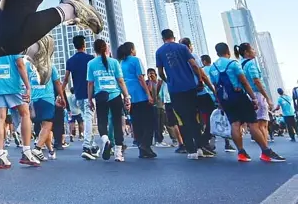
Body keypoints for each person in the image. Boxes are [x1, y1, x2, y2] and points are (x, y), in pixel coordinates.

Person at [208, 42, 284, 162]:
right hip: (239, 96)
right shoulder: (233, 63)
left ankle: (241, 153)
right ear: (228, 51)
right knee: (253, 123)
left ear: (217, 53)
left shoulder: (213, 68)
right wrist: (253, 98)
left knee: (235, 124)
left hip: (225, 99)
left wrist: (220, 104)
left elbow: (215, 87)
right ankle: (266, 151)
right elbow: (244, 82)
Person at [155, 29, 215, 160]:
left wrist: (168, 81)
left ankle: (191, 150)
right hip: (190, 87)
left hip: (175, 90)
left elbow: (160, 72)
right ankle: (199, 148)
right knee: (194, 117)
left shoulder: (159, 52)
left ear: (163, 38)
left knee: (182, 120)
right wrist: (199, 80)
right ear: (173, 37)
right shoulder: (182, 48)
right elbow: (194, 65)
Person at [0, 53, 39, 168]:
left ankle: (0, 154)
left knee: (0, 118)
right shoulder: (13, 44)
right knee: (25, 114)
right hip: (13, 85)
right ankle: (26, 151)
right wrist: (28, 86)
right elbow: (20, 64)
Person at [87, 39, 131, 162]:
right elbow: (120, 81)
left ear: (94, 49)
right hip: (115, 96)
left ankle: (106, 141)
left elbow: (90, 83)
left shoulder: (91, 64)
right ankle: (118, 154)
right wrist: (126, 96)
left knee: (102, 121)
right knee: (117, 123)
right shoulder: (114, 62)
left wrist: (90, 99)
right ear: (106, 49)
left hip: (100, 96)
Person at [61, 35, 98, 159]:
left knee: (86, 117)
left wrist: (60, 93)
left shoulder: (70, 61)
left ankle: (93, 145)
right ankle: (87, 145)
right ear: (84, 45)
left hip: (78, 94)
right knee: (88, 118)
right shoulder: (91, 59)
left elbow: (66, 79)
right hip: (90, 93)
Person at [117, 42, 156, 159]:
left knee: (137, 123)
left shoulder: (121, 63)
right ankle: (145, 145)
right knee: (150, 121)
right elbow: (140, 78)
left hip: (129, 96)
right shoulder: (136, 60)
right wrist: (148, 94)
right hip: (140, 95)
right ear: (131, 50)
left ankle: (142, 147)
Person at [235, 43, 274, 146]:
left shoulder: (240, 64)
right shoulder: (251, 64)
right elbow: (256, 80)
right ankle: (266, 150)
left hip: (248, 95)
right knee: (263, 124)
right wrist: (267, 97)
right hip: (257, 95)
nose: (254, 50)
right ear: (246, 52)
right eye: (252, 49)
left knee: (255, 124)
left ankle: (264, 150)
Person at [30, 48, 65, 162]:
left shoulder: (30, 66)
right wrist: (61, 96)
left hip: (34, 99)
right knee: (47, 126)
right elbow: (57, 82)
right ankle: (37, 149)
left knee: (43, 127)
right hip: (47, 98)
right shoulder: (50, 66)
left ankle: (50, 150)